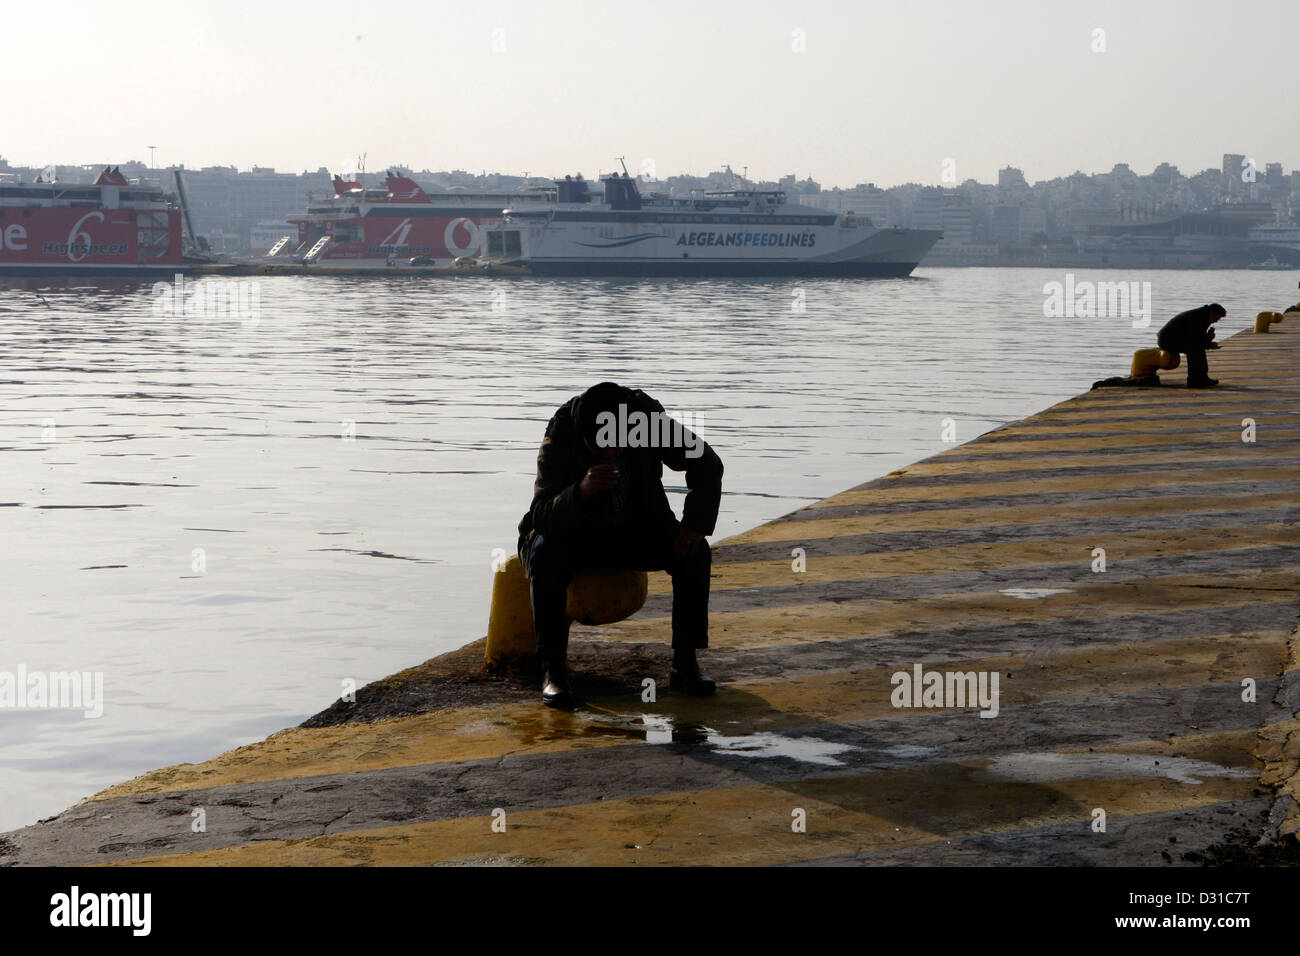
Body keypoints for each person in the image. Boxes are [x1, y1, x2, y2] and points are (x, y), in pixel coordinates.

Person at [517, 382, 724, 709]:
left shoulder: (646, 422)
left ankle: (685, 664)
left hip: (637, 528)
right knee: (544, 554)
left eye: (614, 445)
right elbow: (542, 515)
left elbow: (707, 463)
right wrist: (579, 492)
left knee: (695, 553)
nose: (607, 454)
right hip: (575, 535)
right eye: (597, 448)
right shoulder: (562, 431)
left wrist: (694, 526)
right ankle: (553, 671)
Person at [1156, 303, 1227, 388]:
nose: (1216, 321)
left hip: (1178, 339)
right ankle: (1193, 381)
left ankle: (1203, 378)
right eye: (1217, 318)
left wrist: (1208, 342)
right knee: (1194, 349)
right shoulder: (1197, 317)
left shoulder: (1203, 316)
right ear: (1212, 313)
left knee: (1198, 348)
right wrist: (1209, 344)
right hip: (1167, 341)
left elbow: (1197, 337)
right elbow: (1195, 338)